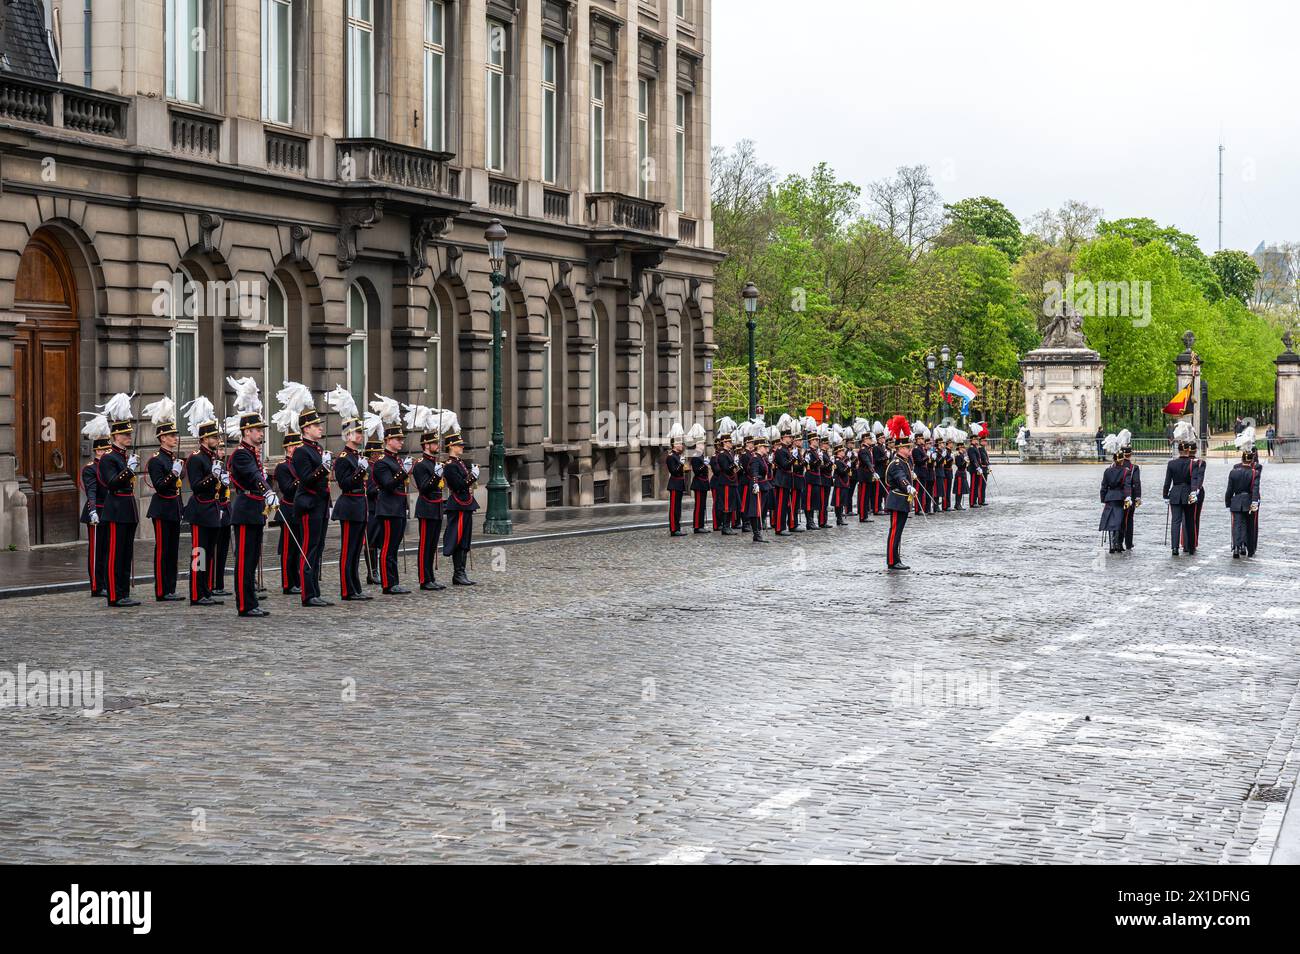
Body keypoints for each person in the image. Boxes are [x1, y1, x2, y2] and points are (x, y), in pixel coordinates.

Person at [224, 377, 274, 618]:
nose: (260, 434)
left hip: (255, 509)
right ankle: (244, 604)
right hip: (245, 509)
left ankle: (251, 601)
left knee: (252, 559)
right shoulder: (242, 455)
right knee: (244, 560)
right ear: (246, 432)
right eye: (256, 430)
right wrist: (268, 491)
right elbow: (254, 476)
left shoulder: (253, 453)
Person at [326, 386, 373, 601]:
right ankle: (347, 589)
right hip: (349, 505)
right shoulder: (344, 457)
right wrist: (360, 470)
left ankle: (355, 587)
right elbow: (344, 483)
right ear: (347, 434)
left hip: (359, 506)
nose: (361, 435)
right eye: (357, 432)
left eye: (361, 432)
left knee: (356, 550)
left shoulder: (356, 455)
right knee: (348, 550)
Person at [96, 393, 140, 607]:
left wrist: (129, 467)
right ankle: (114, 594)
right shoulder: (108, 458)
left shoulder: (123, 457)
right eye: (124, 434)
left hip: (128, 508)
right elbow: (111, 483)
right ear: (115, 436)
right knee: (115, 554)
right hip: (115, 509)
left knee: (126, 554)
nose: (128, 437)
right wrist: (129, 470)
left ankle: (123, 592)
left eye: (129, 433)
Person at [290, 397, 333, 607]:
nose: (319, 428)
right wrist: (323, 468)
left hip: (321, 505)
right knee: (309, 549)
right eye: (315, 425)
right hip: (309, 505)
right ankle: (307, 593)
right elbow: (306, 478)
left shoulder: (316, 449)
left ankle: (315, 590)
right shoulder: (301, 451)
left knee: (318, 548)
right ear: (306, 429)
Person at [182, 397, 224, 606]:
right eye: (214, 437)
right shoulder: (197, 458)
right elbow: (197, 486)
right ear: (204, 438)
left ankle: (206, 590)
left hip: (213, 509)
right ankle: (196, 594)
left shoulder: (211, 457)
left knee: (209, 554)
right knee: (199, 554)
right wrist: (213, 476)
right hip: (200, 509)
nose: (217, 440)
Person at [370, 395, 413, 595]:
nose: (401, 442)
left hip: (398, 507)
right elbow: (387, 484)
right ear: (388, 440)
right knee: (387, 547)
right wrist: (403, 471)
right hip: (387, 509)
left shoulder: (395, 461)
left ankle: (394, 580)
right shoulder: (381, 463)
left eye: (402, 439)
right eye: (398, 439)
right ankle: (388, 583)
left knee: (394, 546)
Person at [143, 397, 184, 602]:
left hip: (174, 508)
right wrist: (175, 474)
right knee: (163, 550)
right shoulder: (157, 460)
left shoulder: (171, 459)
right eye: (170, 435)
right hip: (161, 508)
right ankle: (161, 590)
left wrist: (178, 471)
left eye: (175, 434)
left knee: (173, 551)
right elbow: (160, 485)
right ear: (162, 438)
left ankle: (171, 588)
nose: (174, 438)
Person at [411, 407, 451, 591]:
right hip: (426, 506)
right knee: (425, 544)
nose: (438, 446)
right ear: (426, 445)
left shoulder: (435, 463)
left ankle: (431, 577)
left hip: (436, 506)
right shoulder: (421, 465)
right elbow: (424, 487)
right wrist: (436, 476)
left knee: (434, 543)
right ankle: (423, 578)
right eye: (435, 443)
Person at [441, 427, 479, 585]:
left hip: (466, 504)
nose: (461, 447)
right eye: (459, 445)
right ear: (451, 446)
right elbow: (458, 485)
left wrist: (471, 479)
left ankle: (460, 572)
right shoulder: (450, 465)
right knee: (458, 538)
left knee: (465, 538)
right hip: (458, 504)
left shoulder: (459, 463)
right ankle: (458, 573)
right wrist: (472, 477)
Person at [80, 414, 111, 597]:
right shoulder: (91, 468)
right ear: (98, 451)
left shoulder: (111, 465)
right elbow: (91, 491)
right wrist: (93, 511)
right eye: (106, 450)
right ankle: (97, 585)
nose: (108, 453)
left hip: (110, 510)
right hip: (97, 511)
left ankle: (107, 582)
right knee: (96, 551)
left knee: (108, 550)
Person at [883, 416, 915, 570]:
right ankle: (892, 560)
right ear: (900, 448)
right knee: (895, 531)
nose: (910, 450)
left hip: (902, 501)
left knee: (899, 532)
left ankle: (896, 558)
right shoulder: (897, 463)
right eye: (908, 447)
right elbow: (900, 478)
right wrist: (908, 486)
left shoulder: (904, 461)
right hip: (897, 500)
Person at [1163, 420, 1197, 556]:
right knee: (1189, 521)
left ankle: (1174, 548)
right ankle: (1189, 547)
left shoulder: (1172, 464)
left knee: (1175, 521)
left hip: (1175, 493)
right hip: (1188, 493)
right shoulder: (1192, 463)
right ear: (1188, 450)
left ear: (1178, 450)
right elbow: (1194, 480)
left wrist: (1165, 495)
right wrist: (1194, 492)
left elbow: (1167, 482)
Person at [1226, 428, 1260, 558]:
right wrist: (1254, 502)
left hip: (1236, 501)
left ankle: (1236, 547)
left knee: (1236, 525)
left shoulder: (1233, 471)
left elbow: (1230, 489)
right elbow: (1255, 489)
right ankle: (1244, 547)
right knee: (1245, 524)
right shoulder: (1254, 472)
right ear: (1251, 459)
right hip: (1248, 500)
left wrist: (1228, 501)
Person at [1098, 434, 1131, 553]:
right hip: (1120, 498)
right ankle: (1117, 544)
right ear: (1121, 461)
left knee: (1111, 521)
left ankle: (1112, 545)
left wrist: (1103, 499)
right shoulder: (1125, 472)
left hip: (1110, 498)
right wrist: (1128, 497)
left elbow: (1103, 486)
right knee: (1119, 520)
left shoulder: (1107, 471)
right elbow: (1127, 486)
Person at [743, 424, 772, 542]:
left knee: (762, 510)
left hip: (763, 485)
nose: (767, 449)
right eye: (765, 447)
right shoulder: (755, 458)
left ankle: (758, 532)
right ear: (759, 447)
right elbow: (754, 472)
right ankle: (757, 533)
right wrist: (755, 483)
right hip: (758, 485)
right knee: (756, 510)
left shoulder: (761, 458)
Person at [686, 424, 711, 533]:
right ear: (697, 444)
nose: (702, 446)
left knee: (703, 505)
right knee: (699, 506)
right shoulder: (696, 455)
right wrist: (704, 465)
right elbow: (697, 469)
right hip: (698, 482)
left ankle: (700, 525)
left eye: (703, 444)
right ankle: (697, 525)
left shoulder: (700, 455)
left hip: (703, 483)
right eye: (701, 444)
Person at [665, 424, 688, 537]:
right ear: (674, 445)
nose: (681, 445)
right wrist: (681, 464)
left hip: (679, 484)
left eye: (681, 443)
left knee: (678, 508)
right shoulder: (671, 457)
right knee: (674, 508)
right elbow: (674, 471)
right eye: (679, 443)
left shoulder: (678, 456)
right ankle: (674, 529)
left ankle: (678, 527)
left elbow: (684, 470)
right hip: (674, 483)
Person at [1120, 435, 1141, 551]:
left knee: (1118, 519)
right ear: (1130, 454)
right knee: (1129, 520)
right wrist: (1138, 497)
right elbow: (1136, 483)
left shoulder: (1115, 466)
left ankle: (1117, 541)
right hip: (1130, 497)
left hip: (1118, 497)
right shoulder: (1134, 468)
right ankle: (1128, 542)